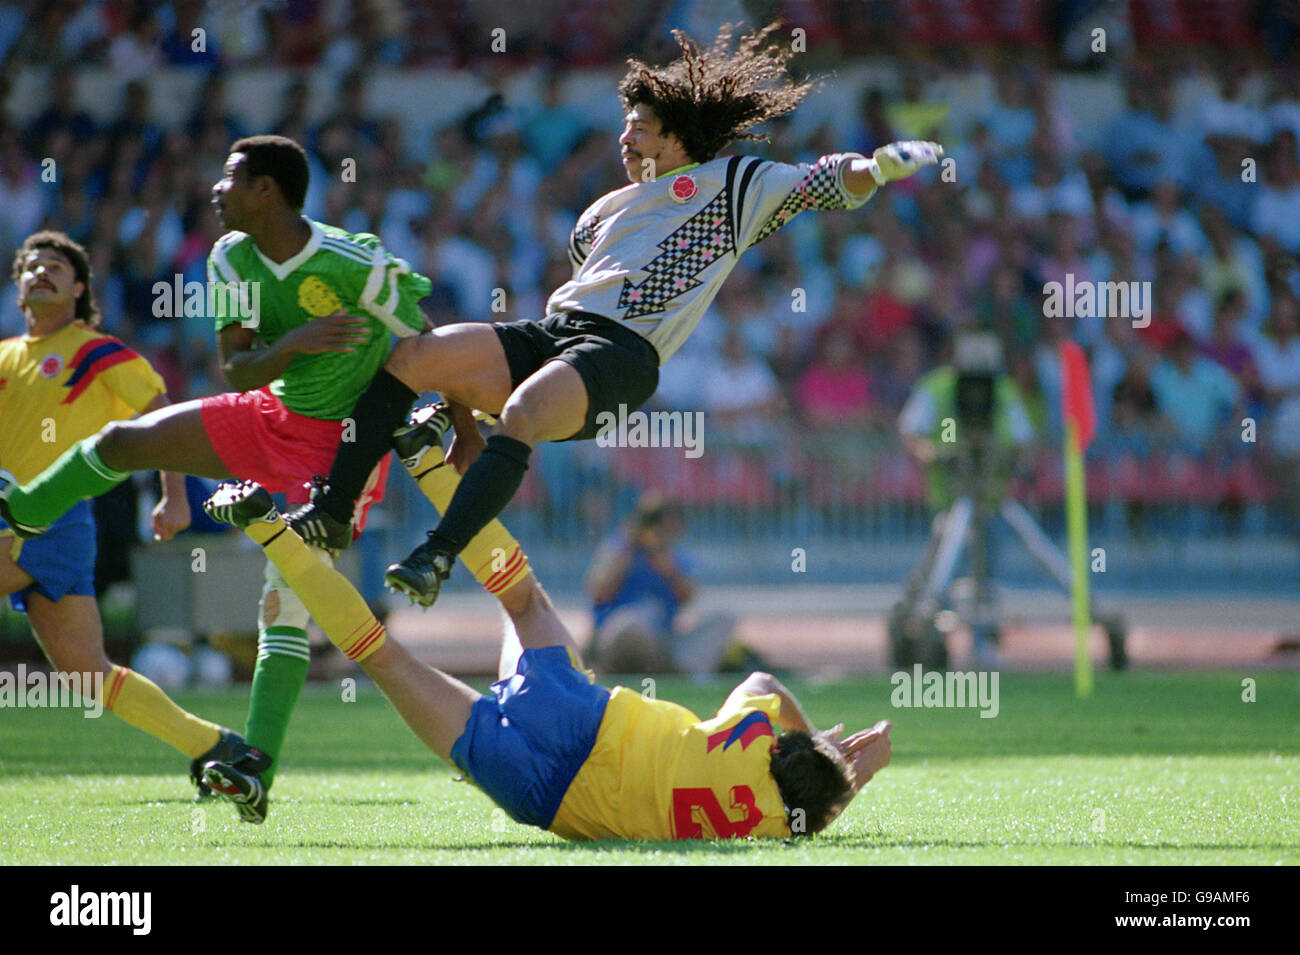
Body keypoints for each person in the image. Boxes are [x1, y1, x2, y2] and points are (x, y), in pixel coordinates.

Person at [287, 22, 942, 610]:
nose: (625, 137)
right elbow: (578, 295)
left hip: (620, 358)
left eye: (641, 129)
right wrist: (463, 408)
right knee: (411, 355)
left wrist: (877, 167)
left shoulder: (737, 184)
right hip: (553, 333)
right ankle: (334, 511)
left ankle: (437, 553)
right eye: (625, 126)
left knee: (522, 413)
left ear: (680, 138)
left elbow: (824, 183)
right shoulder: (598, 213)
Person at [0, 135, 430, 821]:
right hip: (269, 413)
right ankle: (22, 509)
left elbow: (424, 343)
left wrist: (463, 425)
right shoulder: (229, 257)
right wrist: (293, 344)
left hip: (341, 451)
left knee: (280, 607)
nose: (214, 190)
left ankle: (253, 765)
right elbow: (238, 369)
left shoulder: (355, 259)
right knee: (124, 440)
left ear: (268, 190)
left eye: (229, 178)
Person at [202, 479, 893, 840]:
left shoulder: (750, 738)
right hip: (545, 796)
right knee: (386, 660)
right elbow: (812, 814)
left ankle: (430, 462)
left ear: (784, 744)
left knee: (524, 601)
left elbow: (765, 680)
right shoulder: (775, 829)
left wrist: (827, 741)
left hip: (588, 719)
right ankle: (271, 529)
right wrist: (839, 789)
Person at [0, 230, 267, 806]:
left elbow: (159, 418)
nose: (41, 272)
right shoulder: (3, 357)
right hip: (27, 523)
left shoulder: (96, 351)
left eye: (55, 267)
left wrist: (173, 496)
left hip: (47, 520)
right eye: (31, 267)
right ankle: (216, 745)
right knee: (89, 674)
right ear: (18, 290)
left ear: (78, 290)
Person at [586, 492, 740, 676]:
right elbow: (598, 591)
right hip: (618, 637)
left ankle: (682, 672)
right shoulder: (618, 548)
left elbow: (688, 597)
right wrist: (629, 550)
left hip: (662, 642)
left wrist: (666, 566)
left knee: (721, 620)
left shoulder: (673, 556)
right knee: (632, 623)